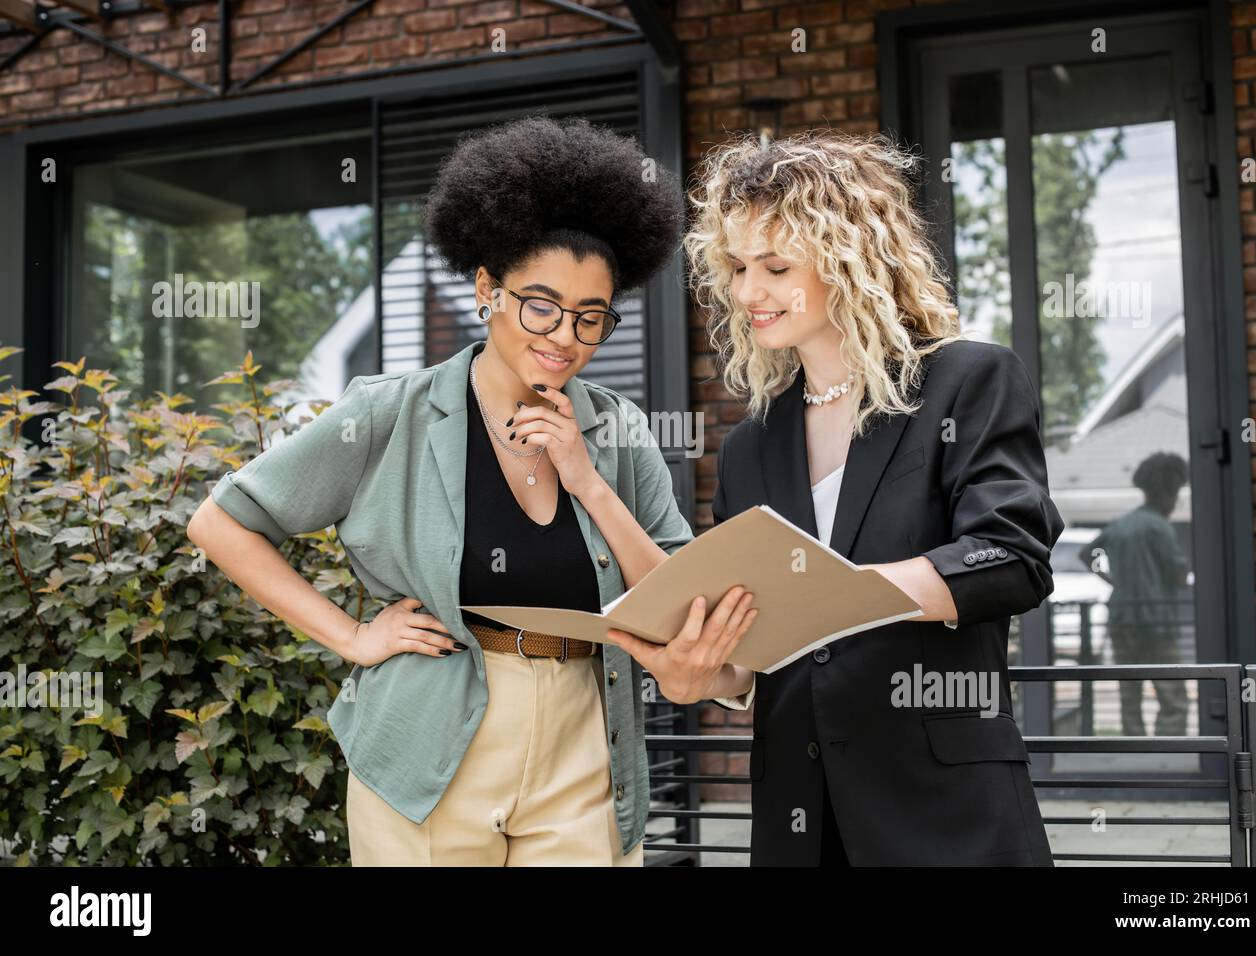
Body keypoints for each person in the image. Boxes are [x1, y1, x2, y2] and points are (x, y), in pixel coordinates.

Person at [186, 115, 755, 866]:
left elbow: (681, 606)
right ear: (488, 288)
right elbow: (222, 523)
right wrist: (352, 638)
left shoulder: (617, 431)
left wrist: (588, 481)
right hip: (428, 744)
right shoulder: (388, 414)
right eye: (541, 304)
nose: (565, 336)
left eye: (592, 318)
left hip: (583, 740)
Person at [616, 128, 1066, 865]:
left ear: (849, 259)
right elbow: (755, 655)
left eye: (775, 265)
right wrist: (699, 671)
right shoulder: (750, 446)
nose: (747, 292)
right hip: (799, 819)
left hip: (946, 813)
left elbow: (1010, 557)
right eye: (735, 266)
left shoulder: (969, 380)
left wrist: (836, 595)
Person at [1080, 452, 1191, 737]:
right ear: (1168, 492)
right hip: (1158, 620)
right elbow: (1179, 575)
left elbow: (1086, 553)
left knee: (1129, 690)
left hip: (1121, 616)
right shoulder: (1159, 527)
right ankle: (1170, 746)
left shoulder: (1120, 524)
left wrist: (1112, 580)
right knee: (1172, 693)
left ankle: (1134, 745)